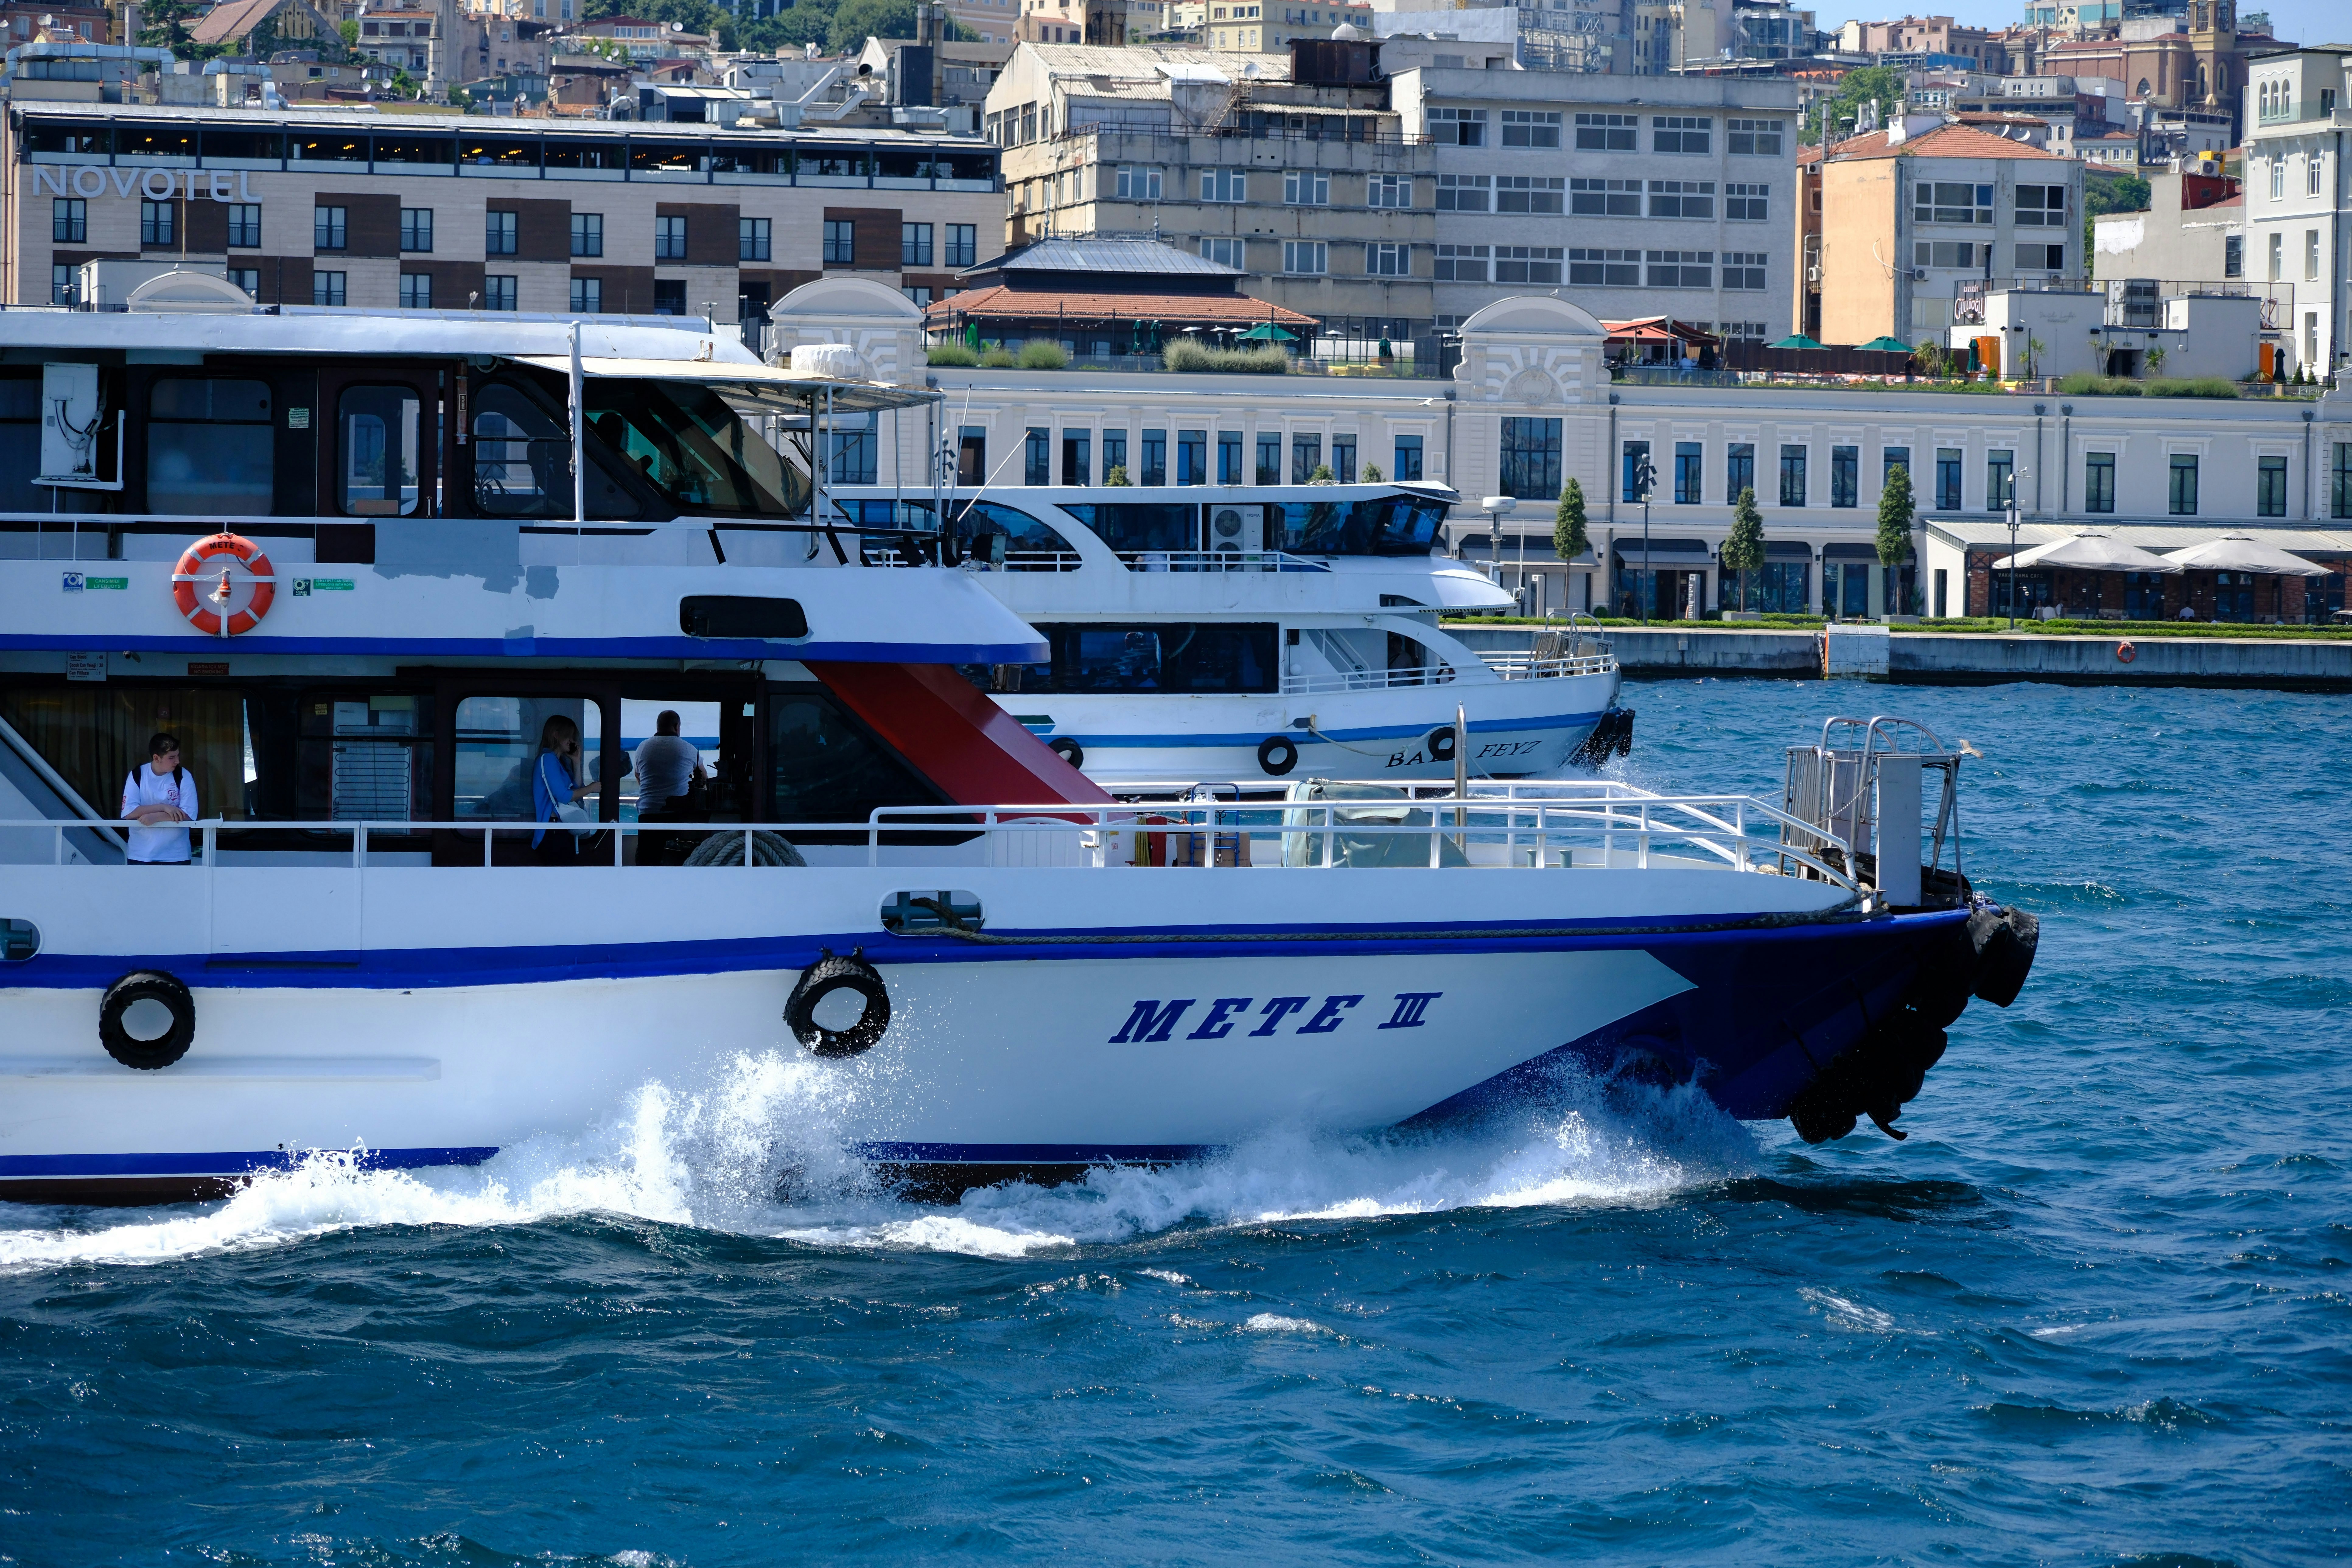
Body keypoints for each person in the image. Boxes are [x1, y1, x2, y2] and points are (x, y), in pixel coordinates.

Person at [121, 733, 197, 865]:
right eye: (172, 757)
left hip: (176, 854)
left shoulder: (183, 775)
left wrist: (157, 817)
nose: (177, 761)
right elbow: (128, 813)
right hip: (141, 854)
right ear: (157, 758)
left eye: (178, 756)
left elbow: (189, 814)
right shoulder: (137, 775)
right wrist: (164, 808)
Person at [531, 714, 596, 861]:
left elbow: (577, 789)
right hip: (552, 828)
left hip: (561, 826)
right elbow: (564, 796)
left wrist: (576, 762)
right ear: (556, 735)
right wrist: (592, 788)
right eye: (569, 737)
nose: (572, 742)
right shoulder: (548, 759)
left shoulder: (559, 762)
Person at [633, 710, 708, 821]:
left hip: (648, 812)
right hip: (678, 813)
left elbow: (638, 776)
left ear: (658, 727)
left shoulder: (643, 748)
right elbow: (704, 778)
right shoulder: (688, 748)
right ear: (677, 726)